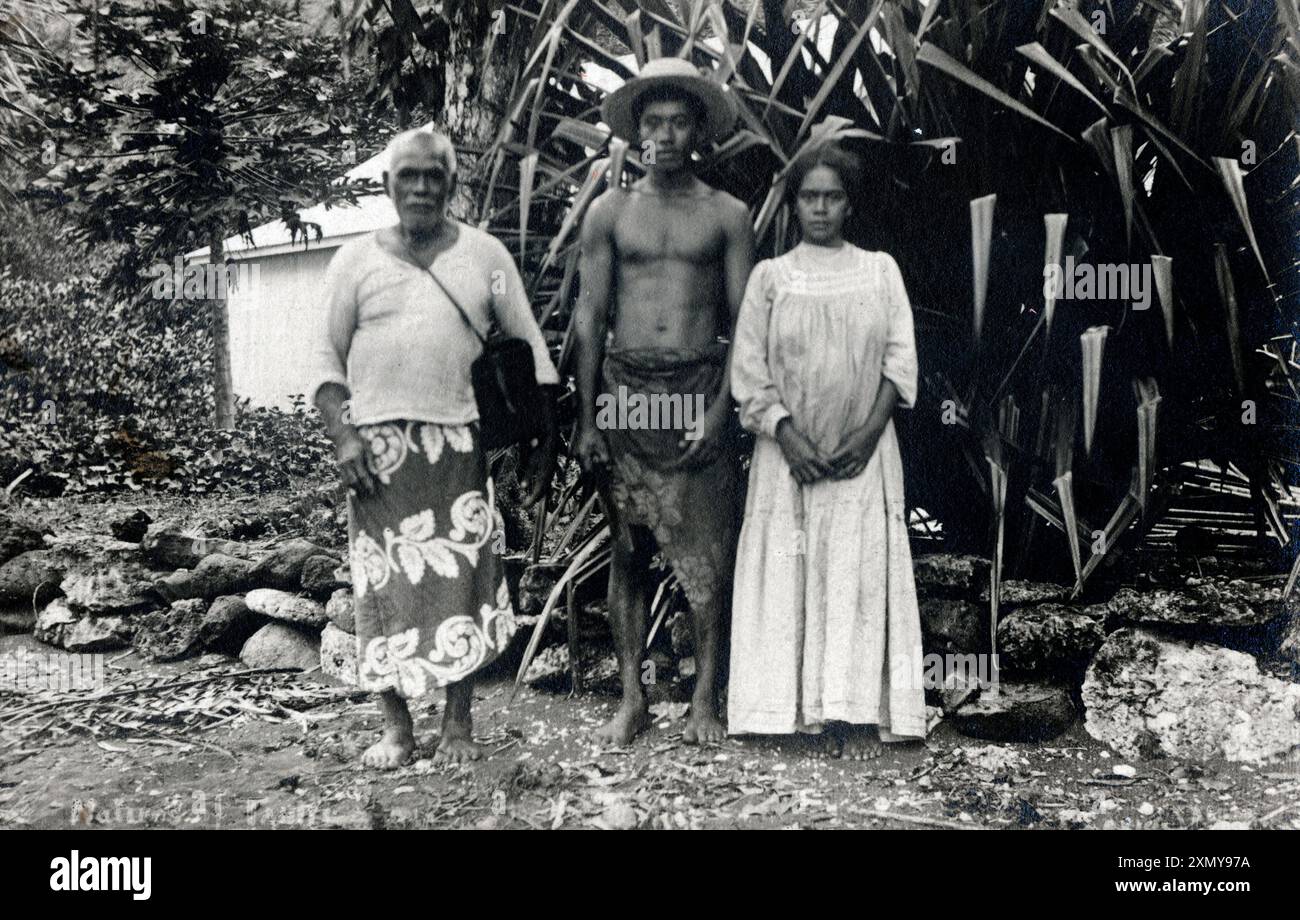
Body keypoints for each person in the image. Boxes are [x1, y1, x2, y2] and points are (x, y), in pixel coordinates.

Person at [306, 128, 560, 768]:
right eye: (408, 177)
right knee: (380, 583)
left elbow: (531, 347)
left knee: (458, 580)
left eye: (433, 177)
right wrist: (343, 436)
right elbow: (322, 358)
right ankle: (395, 729)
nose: (421, 188)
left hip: (459, 444)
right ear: (388, 186)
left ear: (451, 185)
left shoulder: (485, 257)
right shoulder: (354, 261)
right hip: (376, 451)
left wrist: (540, 439)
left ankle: (458, 725)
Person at [573, 58, 754, 746]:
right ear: (635, 132)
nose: (666, 134)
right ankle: (631, 697)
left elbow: (746, 322)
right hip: (625, 393)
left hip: (698, 387)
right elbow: (590, 318)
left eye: (680, 122)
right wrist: (589, 417)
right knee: (630, 548)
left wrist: (719, 410)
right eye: (654, 122)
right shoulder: (609, 212)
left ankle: (706, 699)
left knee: (707, 552)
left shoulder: (727, 215)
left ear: (699, 130)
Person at [727, 143, 927, 759]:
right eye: (809, 197)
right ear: (793, 205)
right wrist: (788, 436)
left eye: (832, 196)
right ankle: (781, 708)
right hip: (786, 457)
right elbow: (749, 371)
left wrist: (866, 436)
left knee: (855, 572)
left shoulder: (879, 270)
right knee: (787, 567)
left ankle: (852, 715)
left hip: (862, 457)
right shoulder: (770, 278)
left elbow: (900, 360)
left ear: (848, 204)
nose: (820, 208)